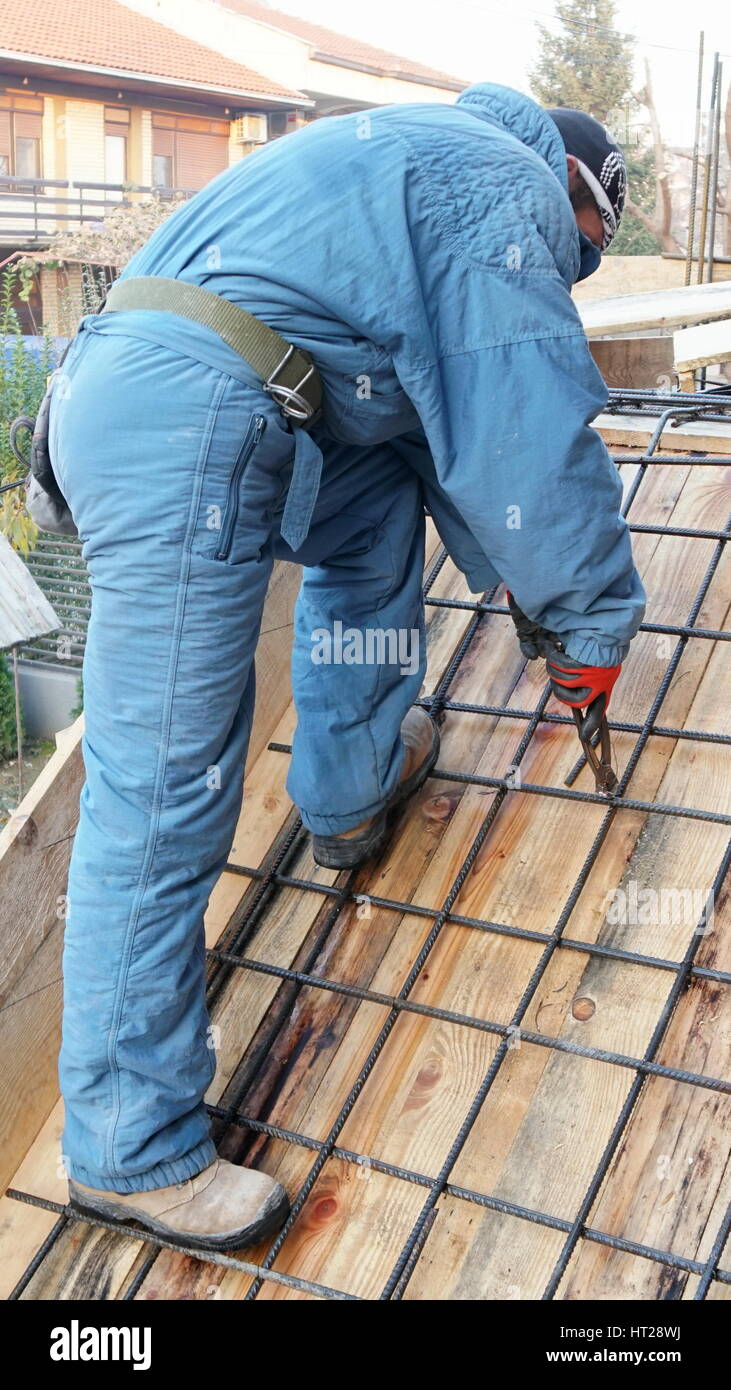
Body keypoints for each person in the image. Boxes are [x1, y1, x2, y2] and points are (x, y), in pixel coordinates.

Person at [48, 81, 645, 1251]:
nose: (563, 284)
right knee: (160, 789)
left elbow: (453, 450)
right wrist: (588, 629)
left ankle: (349, 789)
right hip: (190, 418)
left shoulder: (409, 158)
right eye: (577, 263)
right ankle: (127, 1146)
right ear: (580, 196)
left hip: (233, 395)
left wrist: (527, 591)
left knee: (370, 537)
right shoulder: (503, 188)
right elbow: (528, 430)